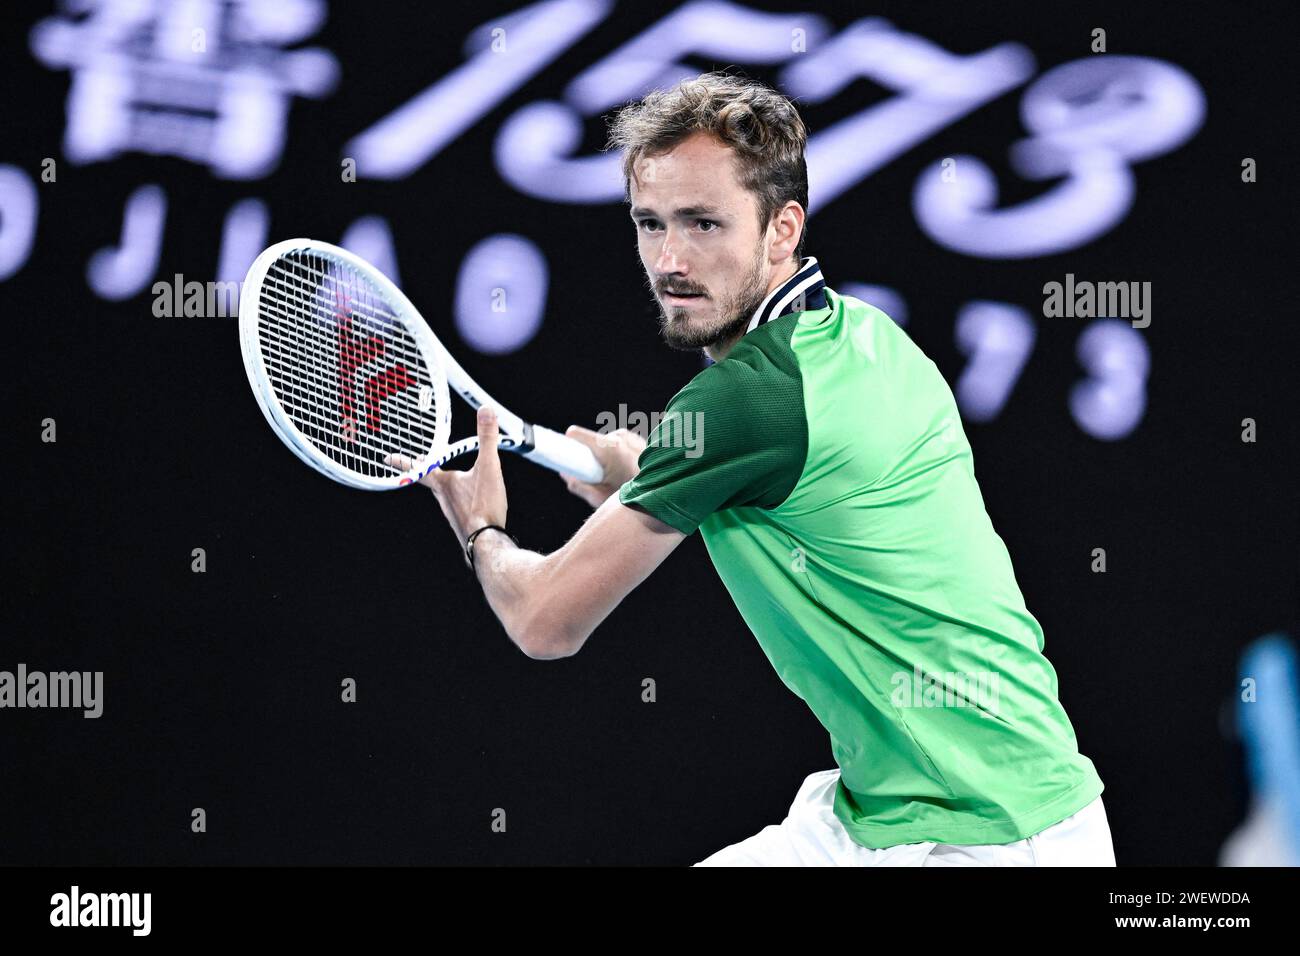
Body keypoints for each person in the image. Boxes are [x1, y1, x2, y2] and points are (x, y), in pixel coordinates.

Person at [417, 71, 1114, 866]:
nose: (670, 260)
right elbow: (795, 486)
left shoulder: (741, 405)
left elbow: (544, 623)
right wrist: (649, 473)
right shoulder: (868, 338)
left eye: (704, 224)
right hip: (908, 805)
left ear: (783, 229)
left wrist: (481, 528)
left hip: (986, 834)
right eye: (651, 224)